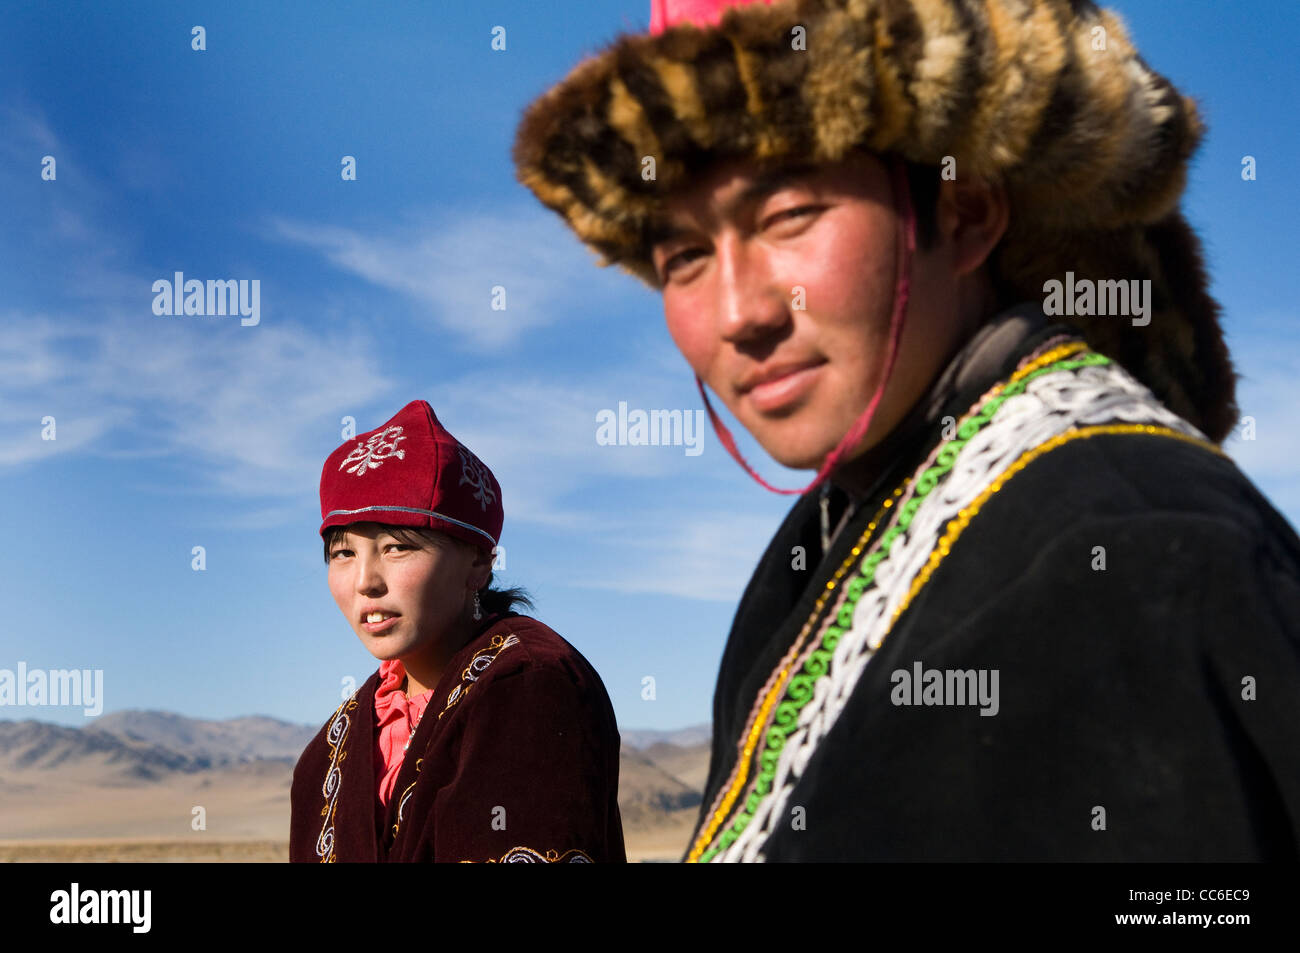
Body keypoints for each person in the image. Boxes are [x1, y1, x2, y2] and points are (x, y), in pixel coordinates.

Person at [511, 0, 1300, 861]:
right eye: (683, 258)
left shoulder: (1135, 551)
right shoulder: (820, 545)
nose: (739, 314)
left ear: (963, 212)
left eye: (789, 216)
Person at [289, 399, 626, 862]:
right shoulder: (332, 749)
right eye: (343, 553)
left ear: (478, 564)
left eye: (398, 547)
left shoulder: (527, 685)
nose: (365, 580)